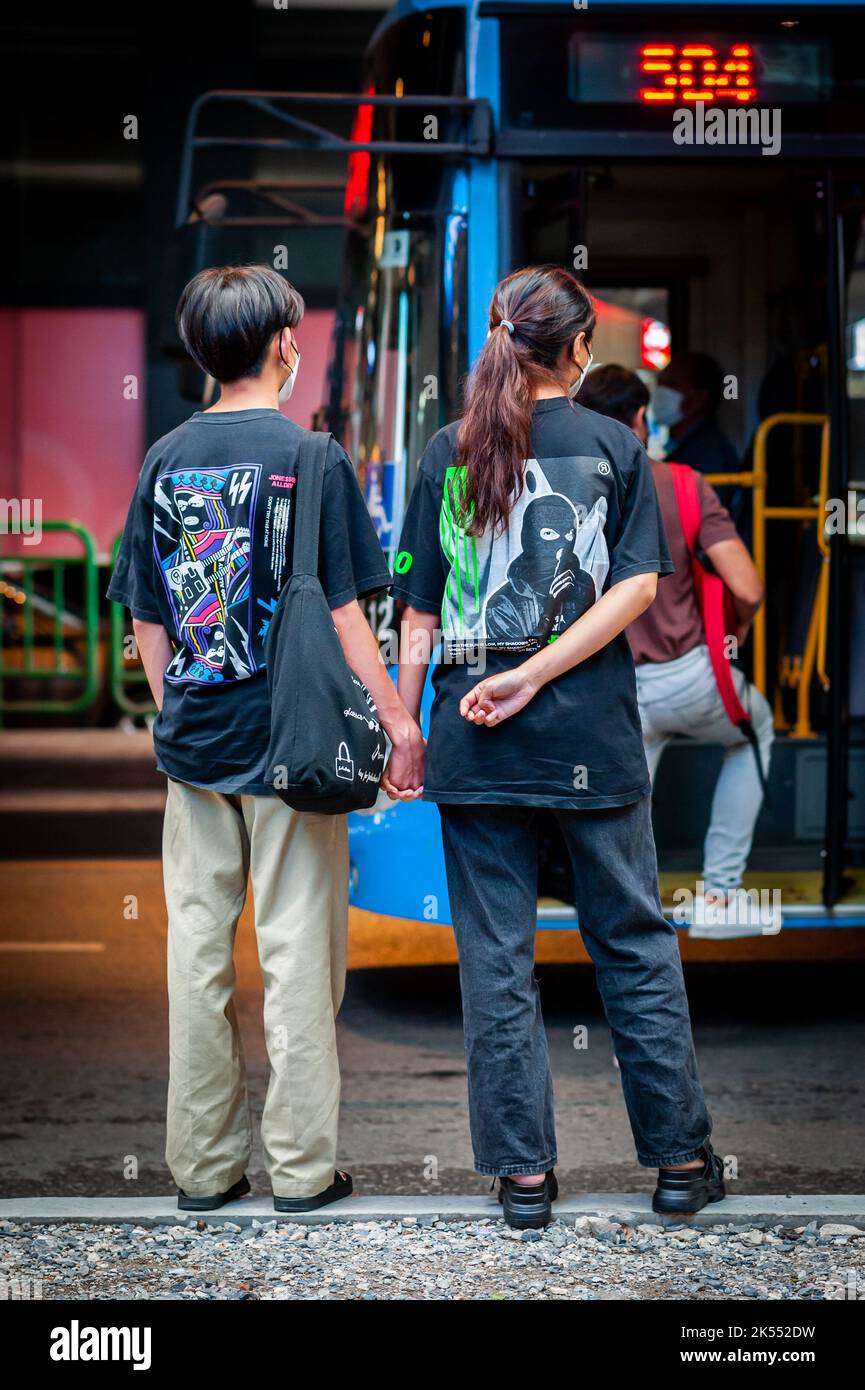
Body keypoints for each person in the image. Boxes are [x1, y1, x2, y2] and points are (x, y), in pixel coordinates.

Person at [388, 266, 725, 1229]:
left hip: (470, 735)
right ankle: (679, 1163)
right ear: (578, 350)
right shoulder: (620, 446)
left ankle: (523, 1180)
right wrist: (540, 673)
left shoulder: (446, 449)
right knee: (631, 945)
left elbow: (418, 609)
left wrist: (409, 727)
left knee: (495, 959)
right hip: (590, 739)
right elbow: (632, 591)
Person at [108, 264, 424, 1213]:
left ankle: (203, 1172)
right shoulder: (311, 456)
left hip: (196, 752)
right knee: (297, 958)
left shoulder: (163, 458)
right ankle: (298, 1172)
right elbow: (344, 618)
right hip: (295, 750)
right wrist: (401, 723)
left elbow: (148, 619)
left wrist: (177, 714)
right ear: (283, 345)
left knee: (196, 958)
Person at [579, 363, 776, 936]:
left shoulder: (570, 485)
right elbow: (749, 587)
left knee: (625, 805)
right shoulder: (686, 485)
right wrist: (729, 634)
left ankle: (622, 910)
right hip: (692, 674)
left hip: (609, 686)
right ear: (641, 418)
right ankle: (718, 898)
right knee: (755, 731)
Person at [654, 351, 743, 519]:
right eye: (660, 383)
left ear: (699, 399)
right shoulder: (687, 447)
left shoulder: (709, 455)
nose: (661, 392)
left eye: (671, 384)